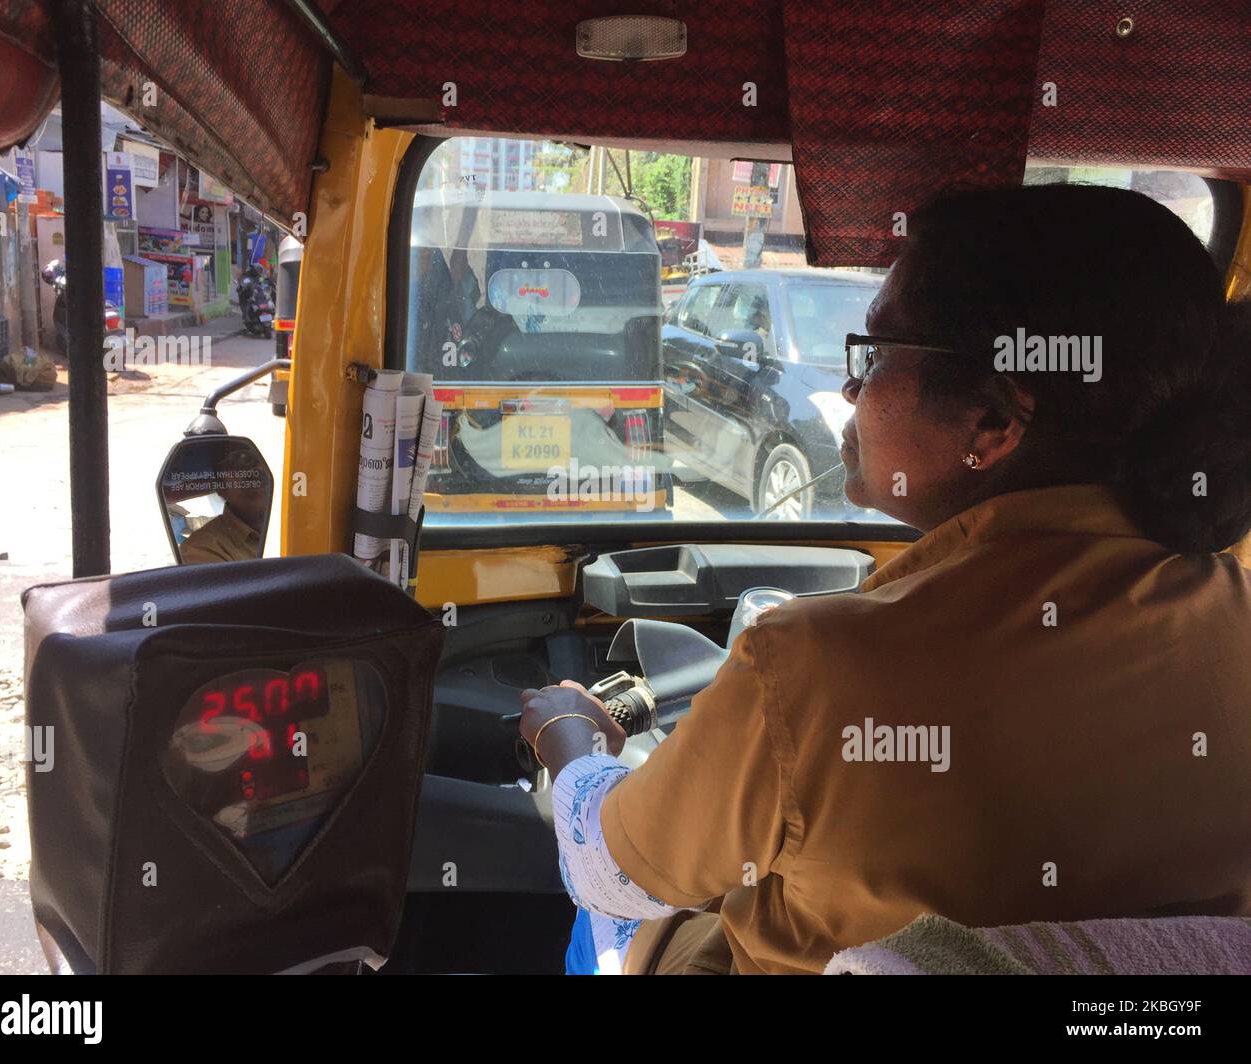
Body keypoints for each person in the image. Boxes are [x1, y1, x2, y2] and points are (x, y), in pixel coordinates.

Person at [520, 184, 1251, 974]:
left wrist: (570, 736)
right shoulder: (1233, 614)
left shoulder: (815, 667)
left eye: (874, 355)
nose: (849, 388)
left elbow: (610, 873)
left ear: (995, 422)